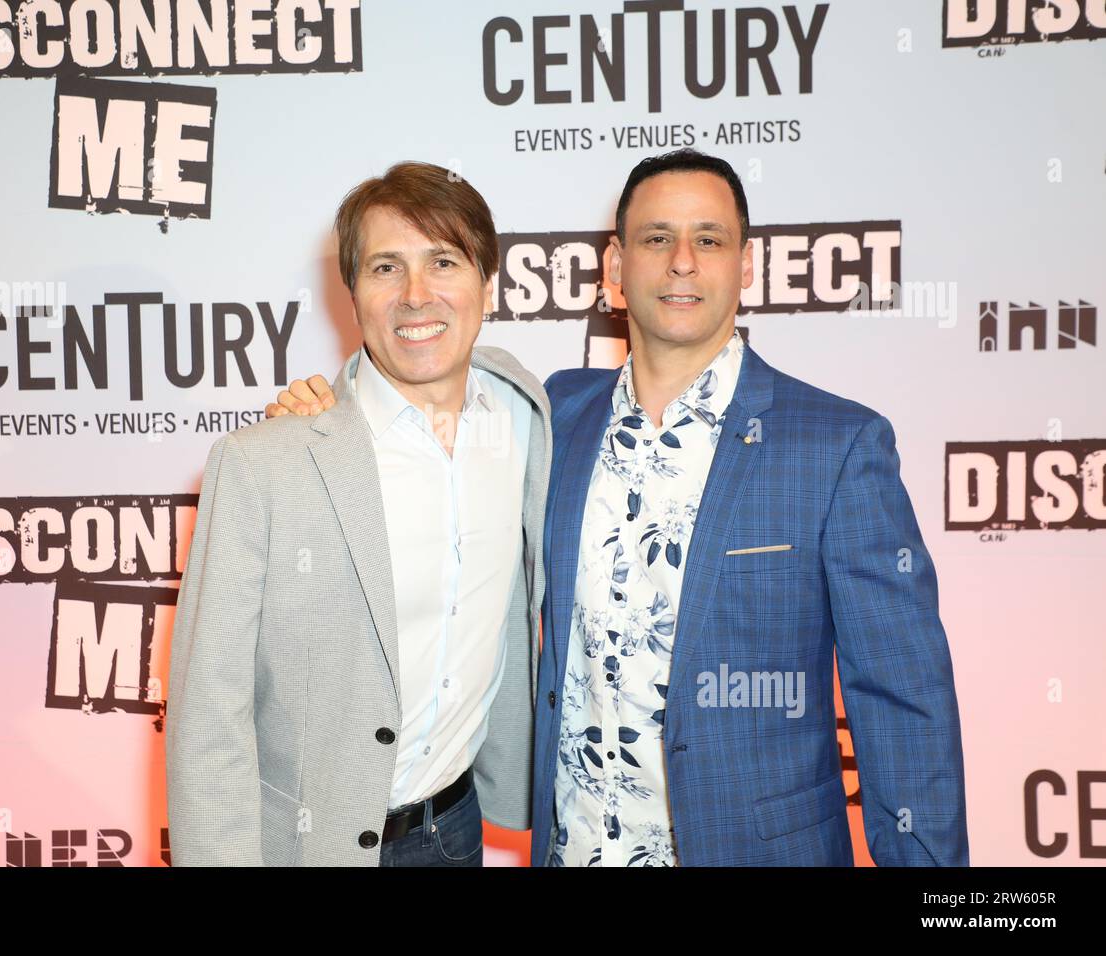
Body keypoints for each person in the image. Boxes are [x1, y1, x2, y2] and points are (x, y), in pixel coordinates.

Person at [269, 149, 968, 867]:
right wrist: (324, 414)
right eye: (657, 238)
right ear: (615, 265)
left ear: (747, 265)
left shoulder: (835, 445)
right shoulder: (553, 417)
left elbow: (904, 700)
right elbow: (419, 397)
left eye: (710, 239)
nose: (682, 262)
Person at [166, 161, 552, 866]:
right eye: (385, 268)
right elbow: (206, 722)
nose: (415, 295)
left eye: (444, 261)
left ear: (487, 283)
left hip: (458, 833)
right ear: (352, 293)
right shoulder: (268, 463)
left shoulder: (525, 420)